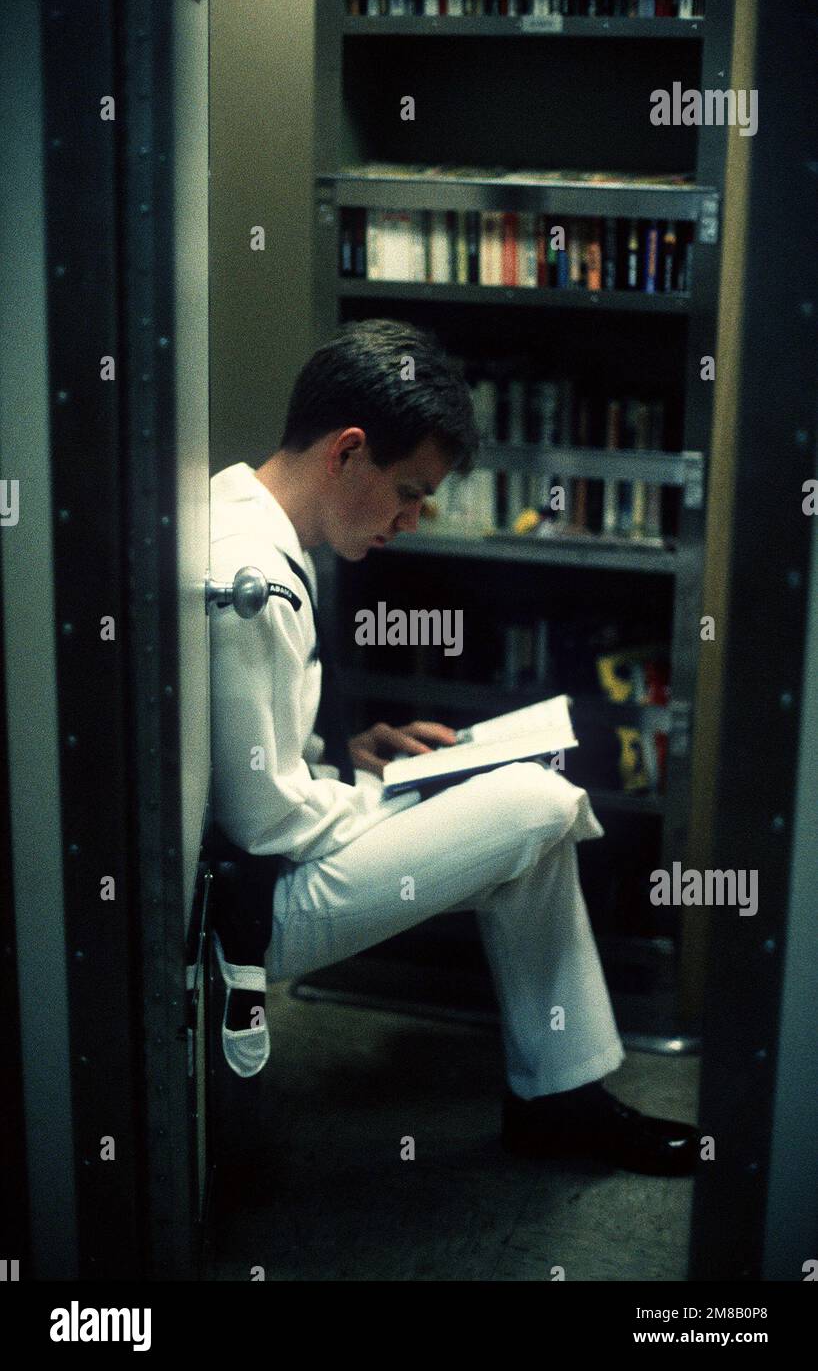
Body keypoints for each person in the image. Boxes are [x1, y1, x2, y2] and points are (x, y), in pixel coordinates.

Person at [208, 317, 700, 1177]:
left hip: (265, 864)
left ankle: (560, 1098)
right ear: (347, 451)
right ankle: (561, 1099)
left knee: (526, 831)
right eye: (408, 490)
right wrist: (401, 795)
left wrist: (358, 758)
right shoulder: (253, 577)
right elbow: (266, 823)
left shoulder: (247, 518)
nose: (410, 517)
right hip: (251, 911)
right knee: (538, 801)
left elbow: (250, 757)